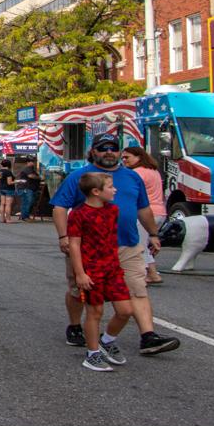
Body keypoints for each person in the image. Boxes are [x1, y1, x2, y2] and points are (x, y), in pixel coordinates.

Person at [51, 135, 181, 356]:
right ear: (93, 151)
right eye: (103, 149)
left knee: (137, 290)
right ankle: (75, 326)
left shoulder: (132, 177)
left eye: (113, 148)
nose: (109, 152)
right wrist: (64, 237)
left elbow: (143, 209)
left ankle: (148, 337)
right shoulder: (79, 176)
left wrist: (154, 234)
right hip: (89, 250)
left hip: (128, 245)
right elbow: (60, 207)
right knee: (78, 290)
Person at [66, 173, 136, 372]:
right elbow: (74, 244)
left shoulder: (113, 210)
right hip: (92, 268)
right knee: (95, 312)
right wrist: (80, 273)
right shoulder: (78, 214)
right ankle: (92, 353)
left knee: (125, 310)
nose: (115, 190)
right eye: (111, 187)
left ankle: (107, 340)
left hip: (112, 267)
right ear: (96, 192)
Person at [124, 147, 166, 284]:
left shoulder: (136, 173)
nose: (124, 161)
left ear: (139, 157)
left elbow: (129, 194)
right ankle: (152, 273)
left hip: (145, 213)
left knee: (139, 245)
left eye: (127, 157)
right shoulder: (154, 171)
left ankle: (145, 275)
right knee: (145, 245)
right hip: (160, 212)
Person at [0, 160, 17, 224]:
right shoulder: (8, 172)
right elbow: (9, 182)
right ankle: (8, 219)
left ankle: (2, 219)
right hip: (9, 189)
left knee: (2, 204)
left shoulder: (0, 171)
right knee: (8, 204)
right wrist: (18, 181)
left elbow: (0, 181)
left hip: (1, 188)